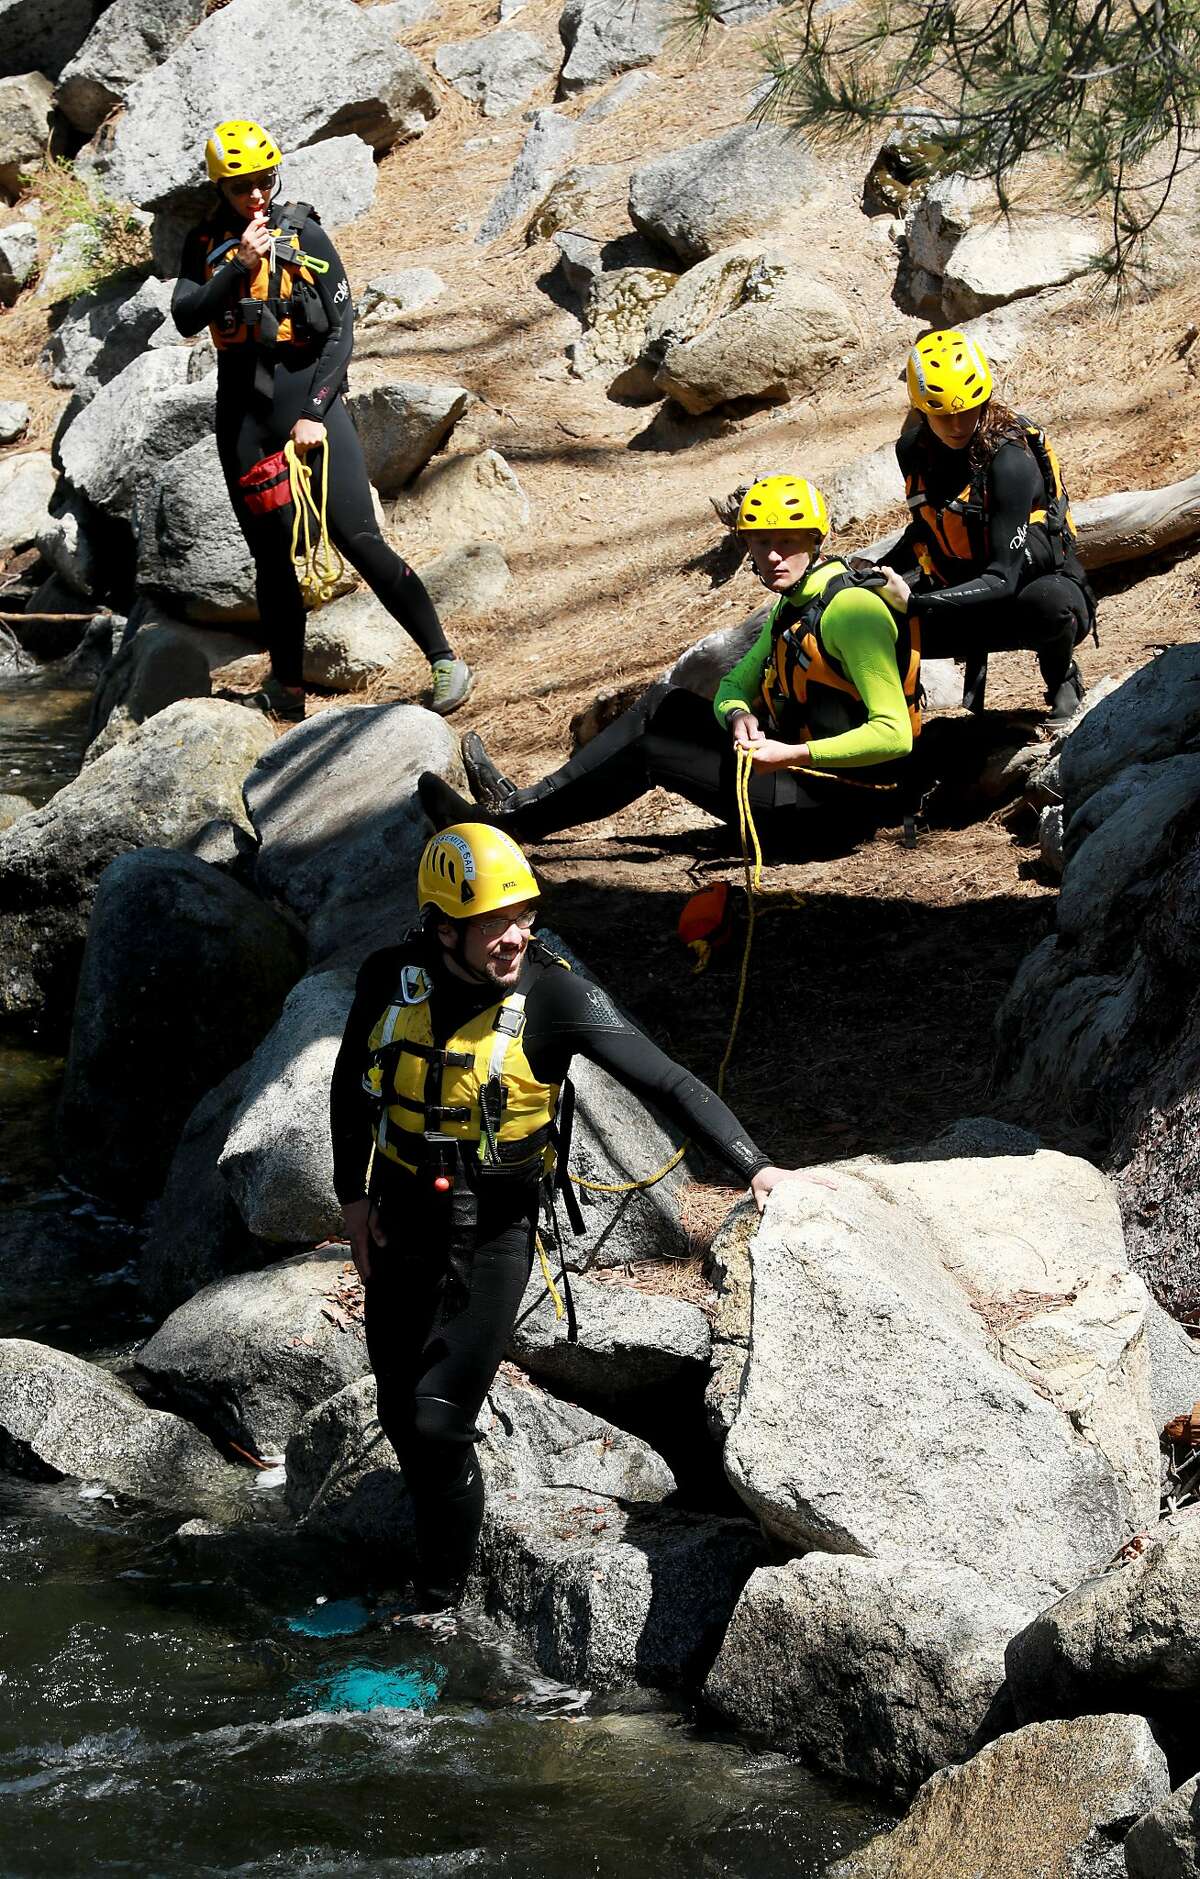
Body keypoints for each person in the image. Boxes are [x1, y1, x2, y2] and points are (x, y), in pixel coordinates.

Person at [329, 821, 813, 1610]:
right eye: (497, 921)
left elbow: (667, 1078)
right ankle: (438, 1522)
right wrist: (354, 1199)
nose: (518, 935)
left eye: (526, 914)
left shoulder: (553, 994)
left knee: (437, 1418)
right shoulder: (390, 976)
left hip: (494, 1233)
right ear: (444, 926)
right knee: (397, 1412)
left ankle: (438, 1601)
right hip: (400, 1216)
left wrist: (755, 1166)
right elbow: (352, 1087)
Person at [417, 473, 920, 844]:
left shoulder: (851, 612)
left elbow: (894, 736)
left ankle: (506, 826)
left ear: (815, 542)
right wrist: (739, 715)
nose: (773, 556)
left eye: (788, 542)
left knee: (654, 750)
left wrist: (789, 755)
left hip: (839, 810)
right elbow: (731, 688)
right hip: (801, 781)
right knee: (665, 704)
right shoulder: (793, 605)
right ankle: (523, 804)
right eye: (761, 543)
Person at [170, 118, 472, 723]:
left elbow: (341, 329)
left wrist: (314, 413)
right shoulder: (205, 245)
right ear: (221, 190)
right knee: (272, 556)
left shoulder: (304, 231)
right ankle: (287, 689)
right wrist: (237, 266)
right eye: (240, 187)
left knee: (356, 537)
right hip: (244, 419)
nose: (255, 195)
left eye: (262, 180)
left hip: (312, 403)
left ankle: (443, 659)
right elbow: (186, 315)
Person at [873, 328, 1094, 721]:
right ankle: (898, 718)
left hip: (1023, 587)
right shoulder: (912, 449)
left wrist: (918, 603)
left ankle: (1060, 674)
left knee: (1052, 606)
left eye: (968, 409)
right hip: (959, 586)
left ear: (985, 398)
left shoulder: (1009, 461)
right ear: (922, 410)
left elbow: (1003, 578)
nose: (957, 424)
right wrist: (873, 573)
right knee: (868, 617)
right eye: (943, 414)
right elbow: (926, 529)